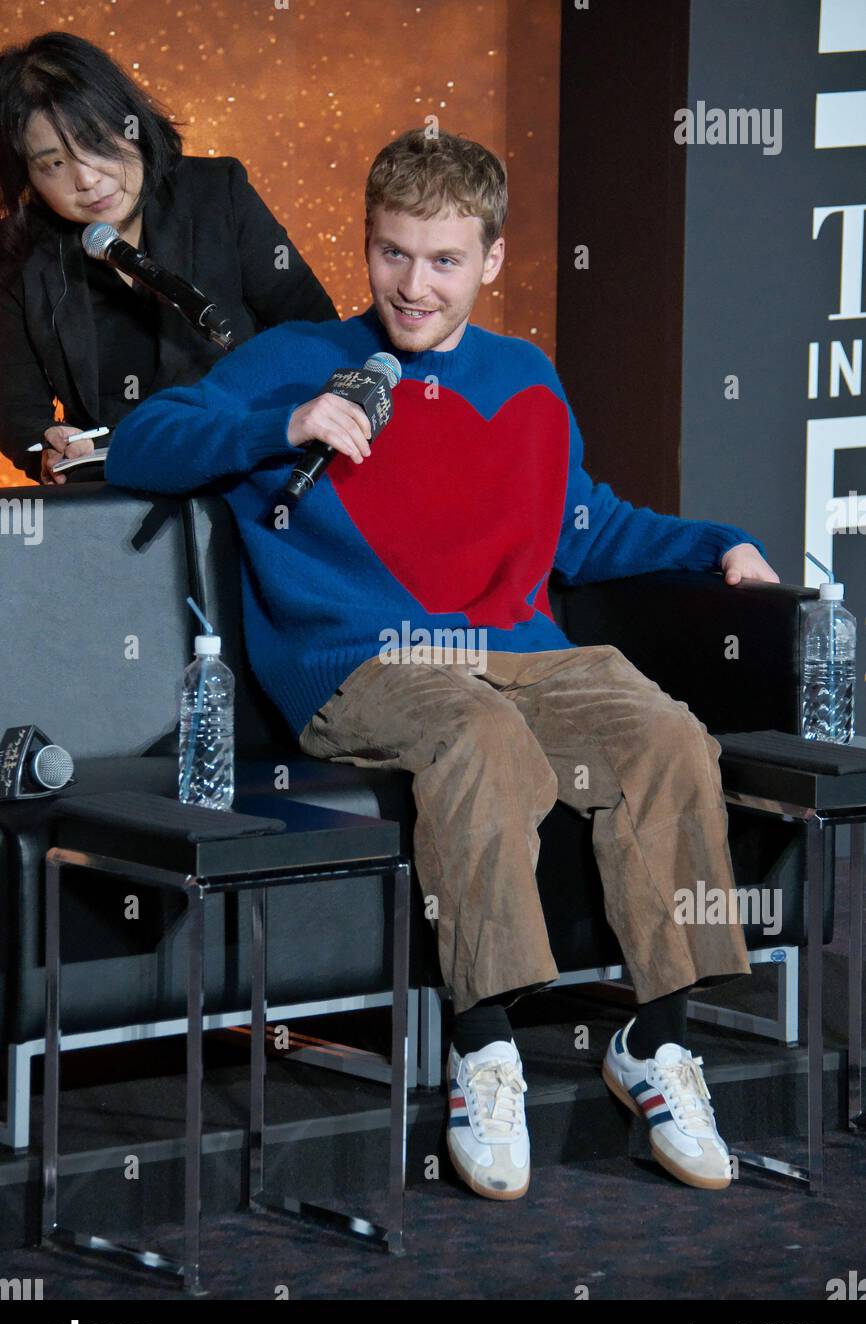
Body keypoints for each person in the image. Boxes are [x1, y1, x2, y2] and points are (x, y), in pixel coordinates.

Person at [106, 128, 781, 1202]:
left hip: (517, 650)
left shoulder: (523, 378)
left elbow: (581, 529)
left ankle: (652, 1044)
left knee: (662, 737)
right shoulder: (293, 359)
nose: (412, 286)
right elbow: (140, 441)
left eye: (443, 260)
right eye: (390, 254)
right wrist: (286, 422)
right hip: (358, 664)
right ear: (365, 245)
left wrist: (711, 543)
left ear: (492, 260)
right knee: (479, 742)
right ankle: (483, 1048)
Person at [0, 31, 337, 485]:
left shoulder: (218, 192)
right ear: (28, 176)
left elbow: (313, 331)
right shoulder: (17, 253)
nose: (85, 178)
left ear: (130, 121)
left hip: (254, 472)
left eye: (96, 141)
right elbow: (17, 407)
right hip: (120, 495)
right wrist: (47, 441)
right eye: (53, 164)